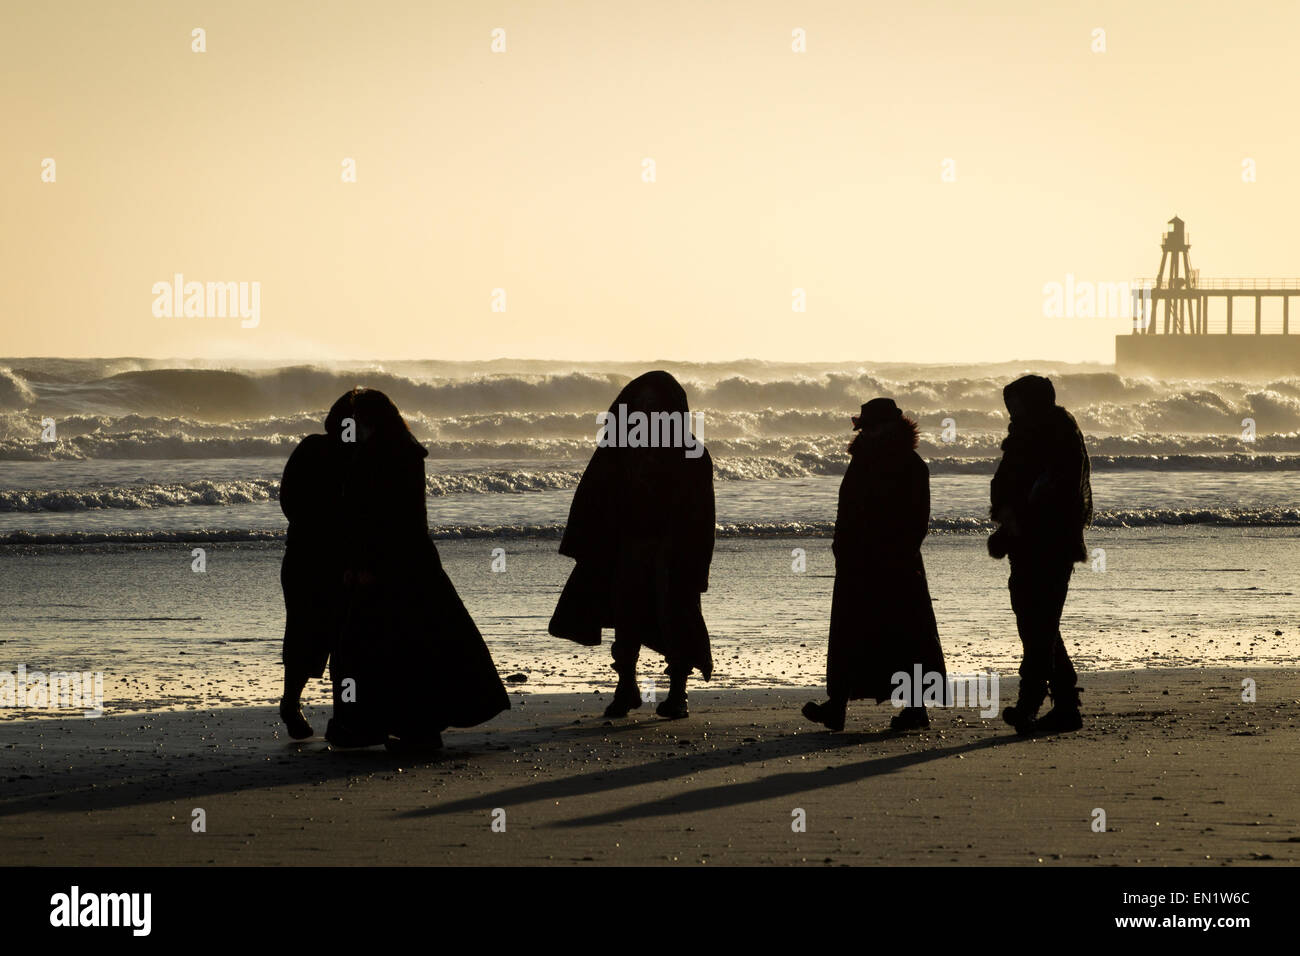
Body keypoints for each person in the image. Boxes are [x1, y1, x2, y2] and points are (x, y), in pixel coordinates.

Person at [325, 388, 510, 751]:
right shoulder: (405, 451)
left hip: (389, 566)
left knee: (368, 649)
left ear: (367, 419)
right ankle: (413, 728)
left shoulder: (378, 455)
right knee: (418, 647)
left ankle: (368, 728)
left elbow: (378, 518)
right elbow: (403, 518)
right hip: (413, 562)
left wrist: (365, 566)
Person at [549, 371, 715, 720]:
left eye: (655, 406)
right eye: (642, 406)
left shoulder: (692, 454)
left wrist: (695, 563)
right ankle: (626, 687)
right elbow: (596, 495)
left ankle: (678, 693)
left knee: (677, 619)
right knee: (627, 616)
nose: (648, 413)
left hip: (674, 551)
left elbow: (701, 516)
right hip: (631, 545)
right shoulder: (621, 451)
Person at [803, 398, 947, 732]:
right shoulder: (863, 461)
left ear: (892, 427)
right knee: (851, 634)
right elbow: (847, 510)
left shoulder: (910, 466)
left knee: (904, 637)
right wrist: (841, 546)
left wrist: (898, 556)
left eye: (874, 427)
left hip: (896, 564)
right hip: (857, 561)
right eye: (865, 427)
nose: (868, 432)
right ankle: (837, 705)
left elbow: (916, 522)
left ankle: (914, 709)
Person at [988, 374, 1092, 736]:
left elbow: (1050, 492)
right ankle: (1065, 704)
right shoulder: (1034, 432)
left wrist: (1016, 522)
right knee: (1038, 624)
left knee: (1039, 625)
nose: (1010, 412)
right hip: (1026, 542)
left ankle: (1030, 703)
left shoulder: (1053, 434)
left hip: (1048, 543)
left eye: (1015, 404)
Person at [277, 401, 349, 739]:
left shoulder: (311, 447)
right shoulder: (352, 457)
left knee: (304, 632)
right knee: (339, 638)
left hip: (302, 554)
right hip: (327, 559)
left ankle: (292, 704)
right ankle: (340, 715)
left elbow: (287, 498)